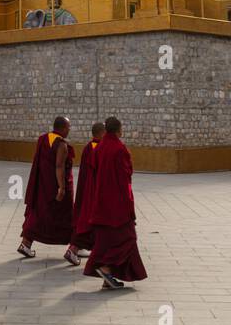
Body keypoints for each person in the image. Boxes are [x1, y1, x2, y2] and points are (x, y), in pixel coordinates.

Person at [81, 116, 147, 288]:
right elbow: (125, 178)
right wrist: (129, 207)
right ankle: (105, 268)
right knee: (127, 238)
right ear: (119, 129)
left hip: (101, 202)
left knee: (105, 240)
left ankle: (107, 280)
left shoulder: (99, 147)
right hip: (117, 204)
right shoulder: (120, 149)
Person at [17, 116, 77, 264]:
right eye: (68, 127)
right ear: (62, 128)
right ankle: (75, 248)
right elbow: (59, 166)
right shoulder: (61, 144)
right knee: (67, 216)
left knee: (38, 214)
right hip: (57, 186)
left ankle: (25, 244)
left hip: (42, 186)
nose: (69, 129)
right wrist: (62, 187)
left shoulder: (43, 139)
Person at [68, 121, 105, 259]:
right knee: (90, 221)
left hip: (86, 189)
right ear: (102, 133)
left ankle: (79, 248)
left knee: (86, 219)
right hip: (94, 191)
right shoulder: (99, 148)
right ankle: (74, 248)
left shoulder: (89, 147)